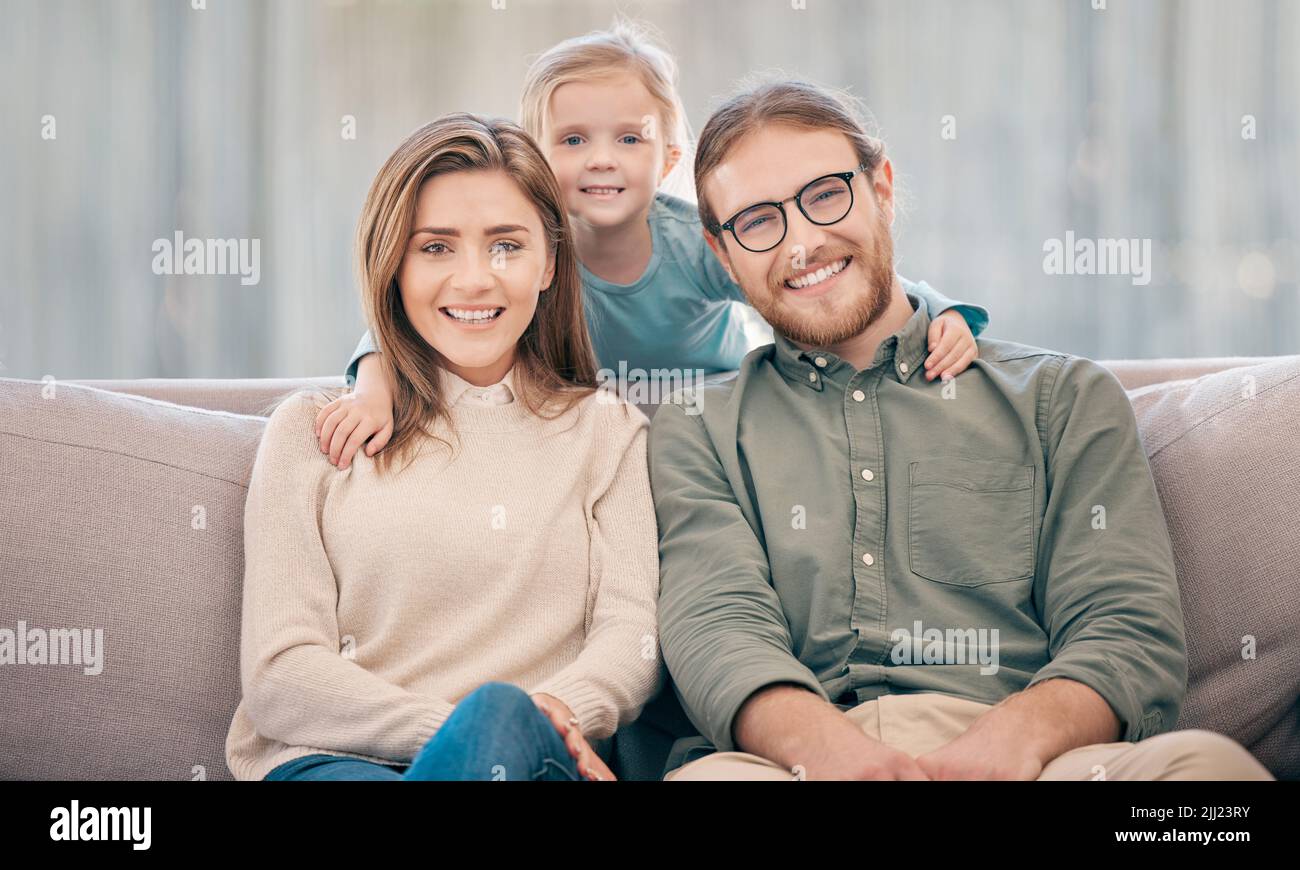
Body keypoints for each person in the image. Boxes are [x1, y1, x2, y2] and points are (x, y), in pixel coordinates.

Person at [648, 78, 1274, 781]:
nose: (803, 241)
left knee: (1206, 774)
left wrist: (1007, 746)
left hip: (1036, 758)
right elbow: (717, 628)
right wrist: (838, 757)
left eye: (825, 194)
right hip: (787, 764)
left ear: (881, 187)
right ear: (722, 252)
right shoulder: (697, 427)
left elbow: (1125, 628)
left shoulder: (1063, 398)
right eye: (758, 221)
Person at [314, 19, 987, 470]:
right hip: (595, 432)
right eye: (574, 140)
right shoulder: (528, 258)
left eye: (628, 139)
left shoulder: (694, 245)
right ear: (535, 158)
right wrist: (373, 387)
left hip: (704, 418)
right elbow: (405, 321)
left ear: (667, 158)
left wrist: (946, 314)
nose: (602, 160)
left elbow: (820, 279)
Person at [224, 113, 660, 781]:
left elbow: (630, 639)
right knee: (489, 721)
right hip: (337, 766)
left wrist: (537, 719)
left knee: (500, 722)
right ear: (392, 263)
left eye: (507, 246)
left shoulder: (608, 434)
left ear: (549, 263)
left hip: (535, 757)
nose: (475, 279)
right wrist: (458, 733)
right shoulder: (313, 435)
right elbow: (281, 675)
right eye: (436, 248)